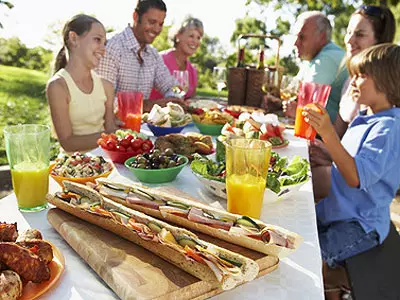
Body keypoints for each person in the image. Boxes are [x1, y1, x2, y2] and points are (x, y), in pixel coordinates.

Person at [303, 43, 400, 300]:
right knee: (298, 234)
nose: (353, 81)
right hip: (338, 210)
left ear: (387, 80)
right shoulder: (368, 118)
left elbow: (356, 176)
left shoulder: (390, 128)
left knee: (310, 260)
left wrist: (327, 132)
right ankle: (332, 282)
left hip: (360, 224)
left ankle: (342, 278)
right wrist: (326, 153)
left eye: (360, 75)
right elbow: (346, 161)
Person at [310, 5, 396, 200]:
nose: (349, 40)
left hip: (359, 191)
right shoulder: (352, 82)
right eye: (349, 32)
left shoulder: (383, 108)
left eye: (359, 34)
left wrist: (330, 149)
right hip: (345, 170)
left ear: (380, 41)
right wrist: (324, 148)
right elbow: (340, 137)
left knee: (304, 182)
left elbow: (363, 169)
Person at [96, 0, 185, 112]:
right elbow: (103, 100)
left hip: (139, 126)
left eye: (161, 24)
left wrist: (174, 98)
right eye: (152, 22)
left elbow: (171, 86)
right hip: (110, 127)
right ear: (136, 16)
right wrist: (146, 105)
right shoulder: (111, 47)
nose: (157, 29)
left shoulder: (153, 55)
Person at [46, 14, 117, 153]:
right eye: (97, 40)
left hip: (106, 164)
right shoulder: (58, 86)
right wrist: (115, 135)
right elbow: (68, 143)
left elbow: (110, 130)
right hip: (74, 168)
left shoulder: (106, 86)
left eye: (104, 43)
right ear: (74, 39)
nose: (103, 49)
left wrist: (117, 131)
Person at [282, 11, 348, 123]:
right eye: (296, 37)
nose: (295, 43)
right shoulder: (312, 58)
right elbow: (293, 91)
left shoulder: (327, 59)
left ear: (321, 37)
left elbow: (306, 105)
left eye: (302, 37)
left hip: (324, 136)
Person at [149, 16, 204, 100]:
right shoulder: (159, 60)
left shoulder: (192, 70)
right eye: (191, 36)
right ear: (178, 36)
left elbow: (192, 100)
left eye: (198, 37)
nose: (195, 41)